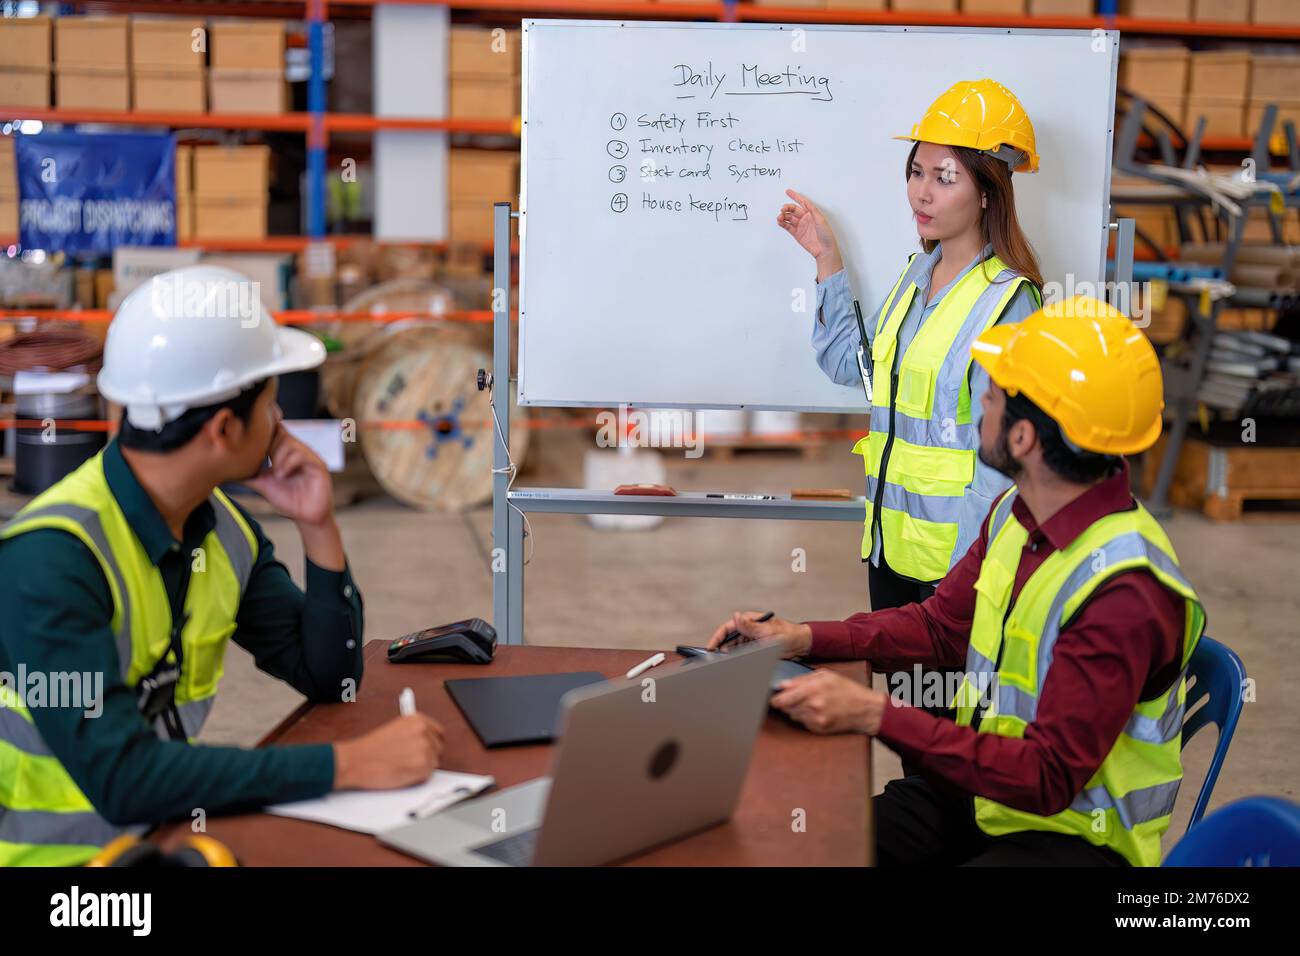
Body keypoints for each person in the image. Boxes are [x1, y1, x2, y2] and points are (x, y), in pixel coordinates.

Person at [710, 297, 1206, 867]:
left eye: (989, 396)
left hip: (1072, 842)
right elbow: (940, 628)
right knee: (817, 846)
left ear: (1023, 439)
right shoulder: (1016, 514)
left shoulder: (1125, 592)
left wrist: (876, 715)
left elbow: (1048, 777)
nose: (978, 407)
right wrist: (803, 638)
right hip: (983, 796)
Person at [0, 266, 443, 866]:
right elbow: (120, 778)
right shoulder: (49, 560)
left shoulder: (222, 529)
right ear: (224, 428)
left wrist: (318, 525)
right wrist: (349, 765)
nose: (280, 423)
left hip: (158, 843)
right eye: (270, 403)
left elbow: (329, 677)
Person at [777, 80, 1045, 750]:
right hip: (893, 553)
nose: (922, 192)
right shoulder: (915, 278)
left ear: (986, 190)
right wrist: (826, 260)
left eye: (945, 176)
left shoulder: (1008, 302)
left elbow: (1007, 458)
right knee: (909, 735)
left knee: (949, 742)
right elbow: (860, 374)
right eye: (917, 173)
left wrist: (973, 578)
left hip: (955, 573)